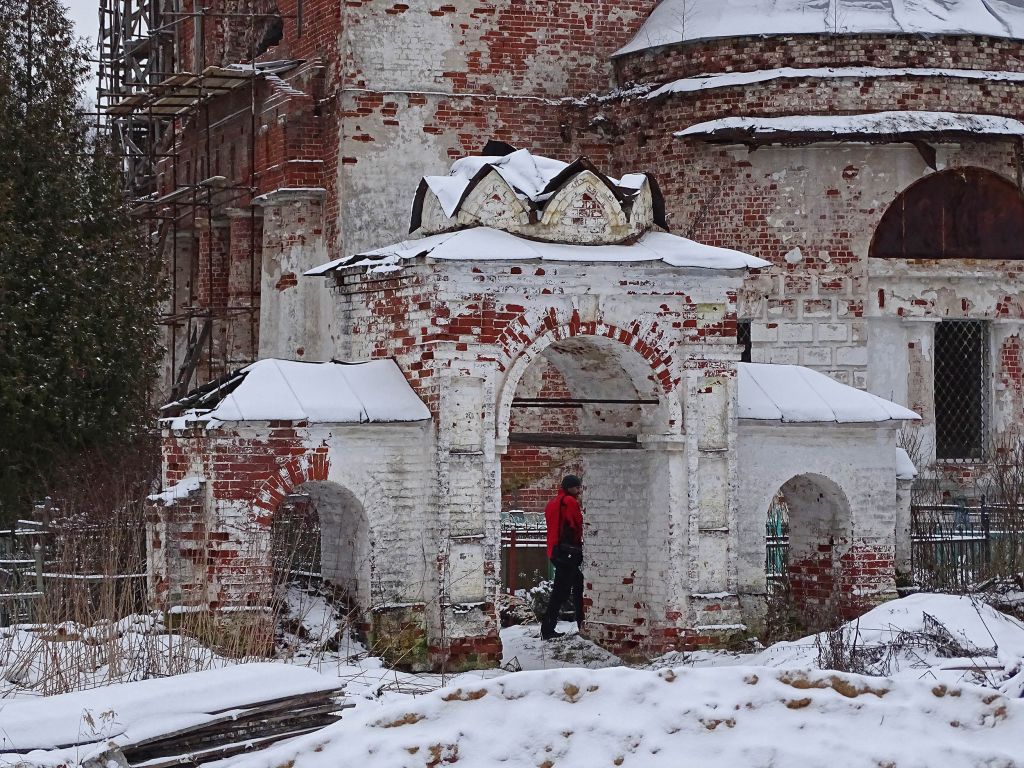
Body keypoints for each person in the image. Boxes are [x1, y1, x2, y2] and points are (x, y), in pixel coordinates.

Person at [541, 474, 585, 640]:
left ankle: (581, 622)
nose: (578, 490)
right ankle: (548, 630)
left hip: (554, 550)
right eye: (576, 487)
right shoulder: (570, 502)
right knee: (561, 592)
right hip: (567, 552)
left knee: (577, 582)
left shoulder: (552, 503)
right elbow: (576, 524)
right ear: (568, 488)